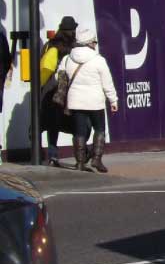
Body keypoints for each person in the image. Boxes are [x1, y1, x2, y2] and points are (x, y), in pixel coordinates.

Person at [62, 26, 119, 173]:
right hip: (95, 101)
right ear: (89, 43)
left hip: (75, 101)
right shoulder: (99, 60)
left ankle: (80, 162)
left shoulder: (67, 58)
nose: (95, 44)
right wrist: (113, 100)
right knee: (99, 129)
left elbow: (59, 77)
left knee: (79, 132)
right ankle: (96, 159)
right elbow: (107, 83)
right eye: (94, 42)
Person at [39, 16, 78, 167]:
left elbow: (42, 65)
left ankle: (53, 155)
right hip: (69, 90)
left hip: (51, 90)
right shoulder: (75, 48)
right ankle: (80, 156)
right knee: (77, 122)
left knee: (52, 124)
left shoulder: (50, 45)